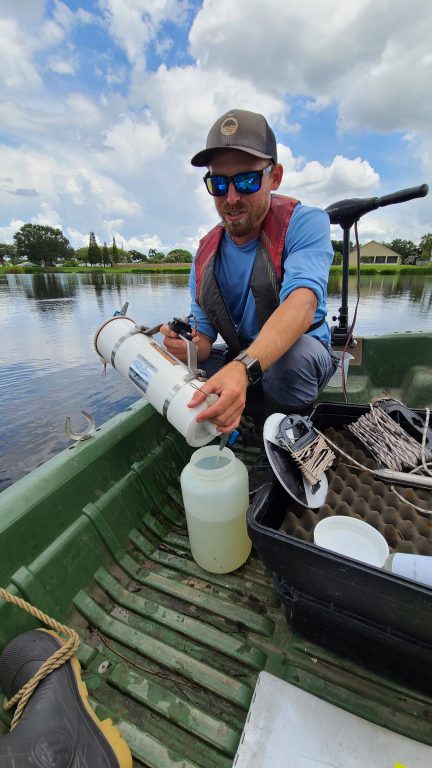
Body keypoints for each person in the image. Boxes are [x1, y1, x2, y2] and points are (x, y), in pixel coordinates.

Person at [161, 108, 337, 436]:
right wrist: (182, 345)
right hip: (242, 360)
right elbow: (203, 343)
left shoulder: (306, 223)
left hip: (297, 357)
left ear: (276, 177)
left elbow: (302, 304)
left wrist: (241, 368)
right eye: (219, 183)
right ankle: (219, 426)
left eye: (246, 180)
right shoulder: (205, 255)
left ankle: (288, 437)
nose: (231, 197)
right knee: (170, 368)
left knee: (289, 361)